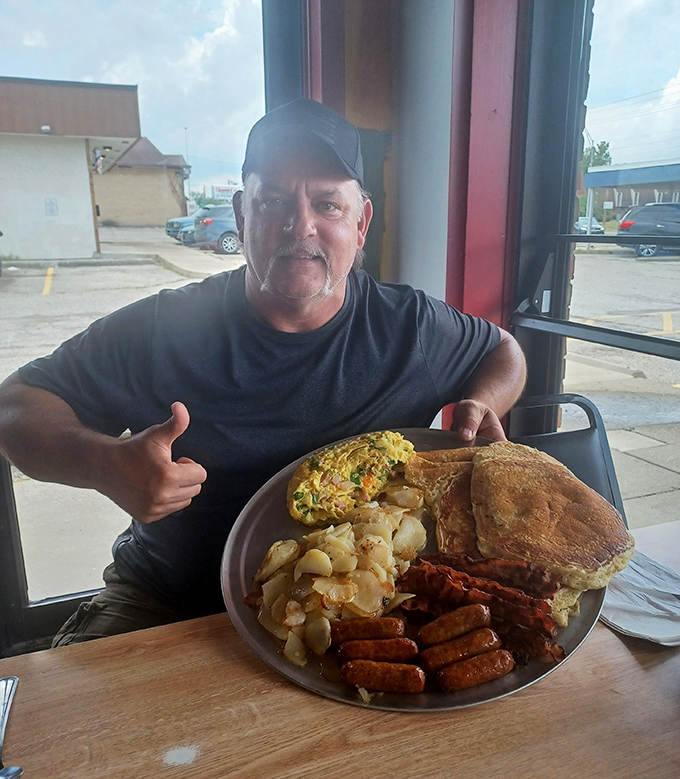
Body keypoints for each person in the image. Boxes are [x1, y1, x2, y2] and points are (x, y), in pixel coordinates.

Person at [0, 98, 526, 645]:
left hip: (365, 613)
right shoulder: (165, 326)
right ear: (242, 214)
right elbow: (14, 405)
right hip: (167, 605)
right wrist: (104, 464)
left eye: (328, 204)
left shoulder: (411, 326)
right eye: (273, 201)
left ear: (363, 221)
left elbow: (504, 351)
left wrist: (485, 399)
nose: (301, 226)